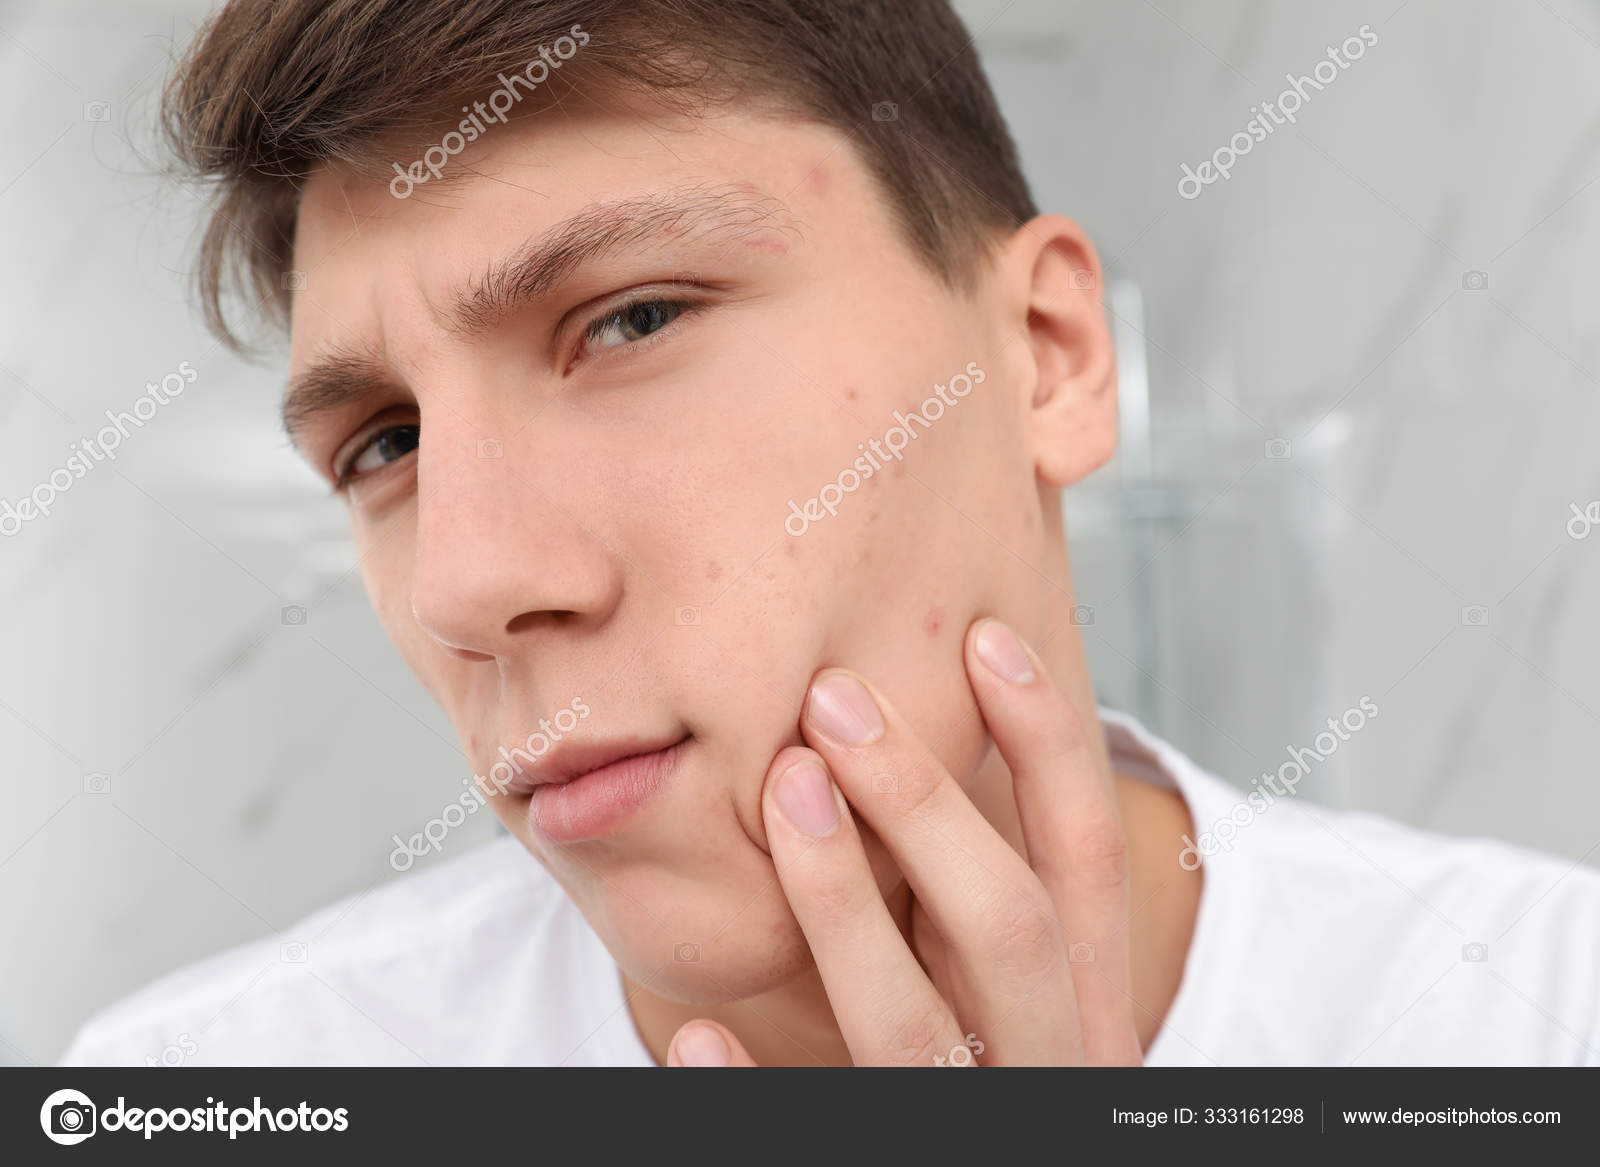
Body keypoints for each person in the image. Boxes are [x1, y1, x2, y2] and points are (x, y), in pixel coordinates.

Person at [61, 0, 1600, 1066]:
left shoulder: (1533, 1016)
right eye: (384, 444)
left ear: (1047, 354)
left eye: (631, 319)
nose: (474, 585)